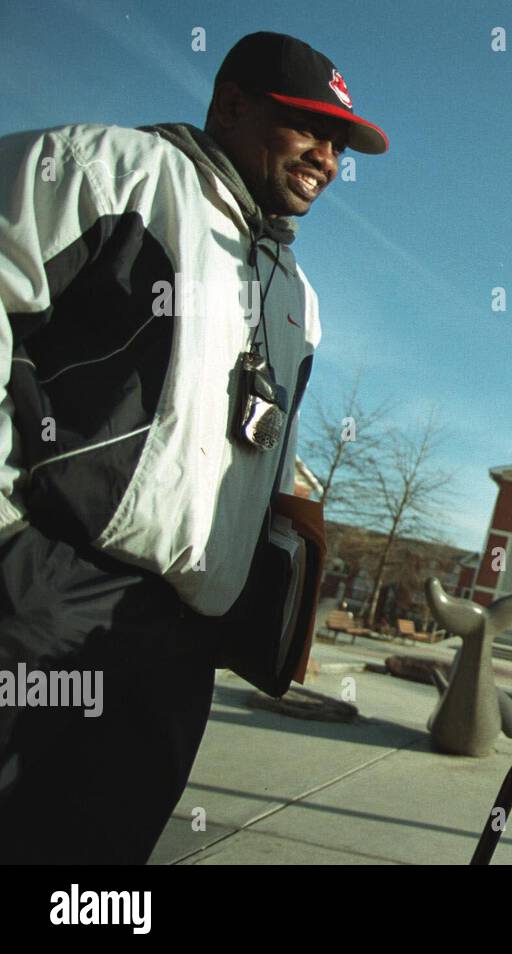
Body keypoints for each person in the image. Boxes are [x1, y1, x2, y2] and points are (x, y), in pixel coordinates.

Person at [0, 31, 388, 863]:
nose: (326, 155)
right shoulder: (108, 169)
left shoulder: (300, 299)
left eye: (339, 142)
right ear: (232, 105)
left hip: (179, 644)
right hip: (50, 594)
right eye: (306, 126)